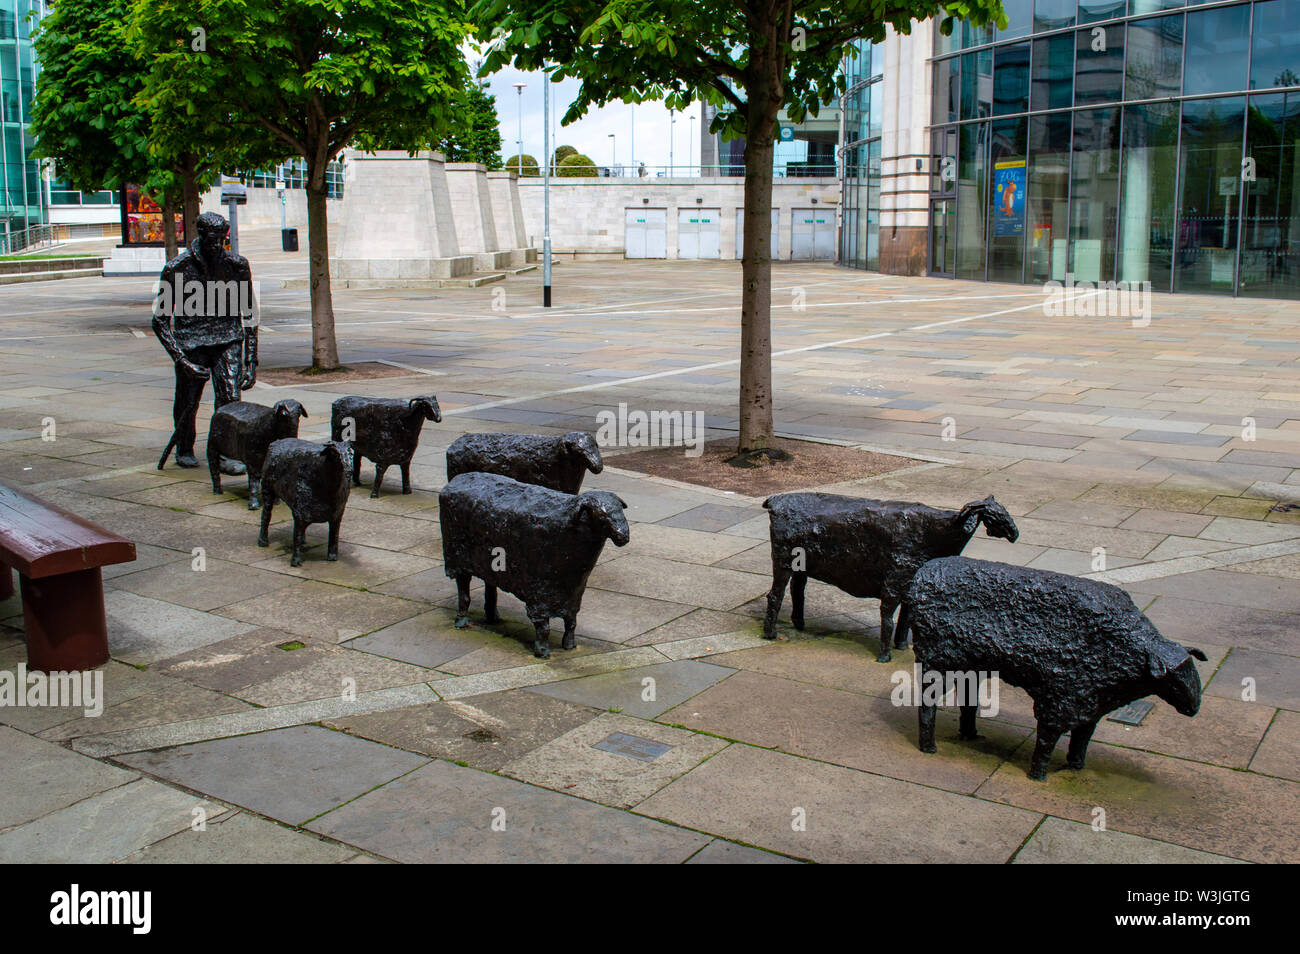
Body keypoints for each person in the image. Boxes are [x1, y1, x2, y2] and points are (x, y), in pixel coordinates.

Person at [152, 211, 258, 469]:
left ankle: (226, 453)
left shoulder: (237, 265)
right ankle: (184, 447)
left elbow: (250, 314)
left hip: (228, 339)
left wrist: (251, 359)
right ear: (200, 235)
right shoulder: (176, 268)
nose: (217, 246)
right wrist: (181, 359)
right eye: (212, 239)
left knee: (230, 399)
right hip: (191, 344)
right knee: (188, 401)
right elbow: (159, 321)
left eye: (222, 239)